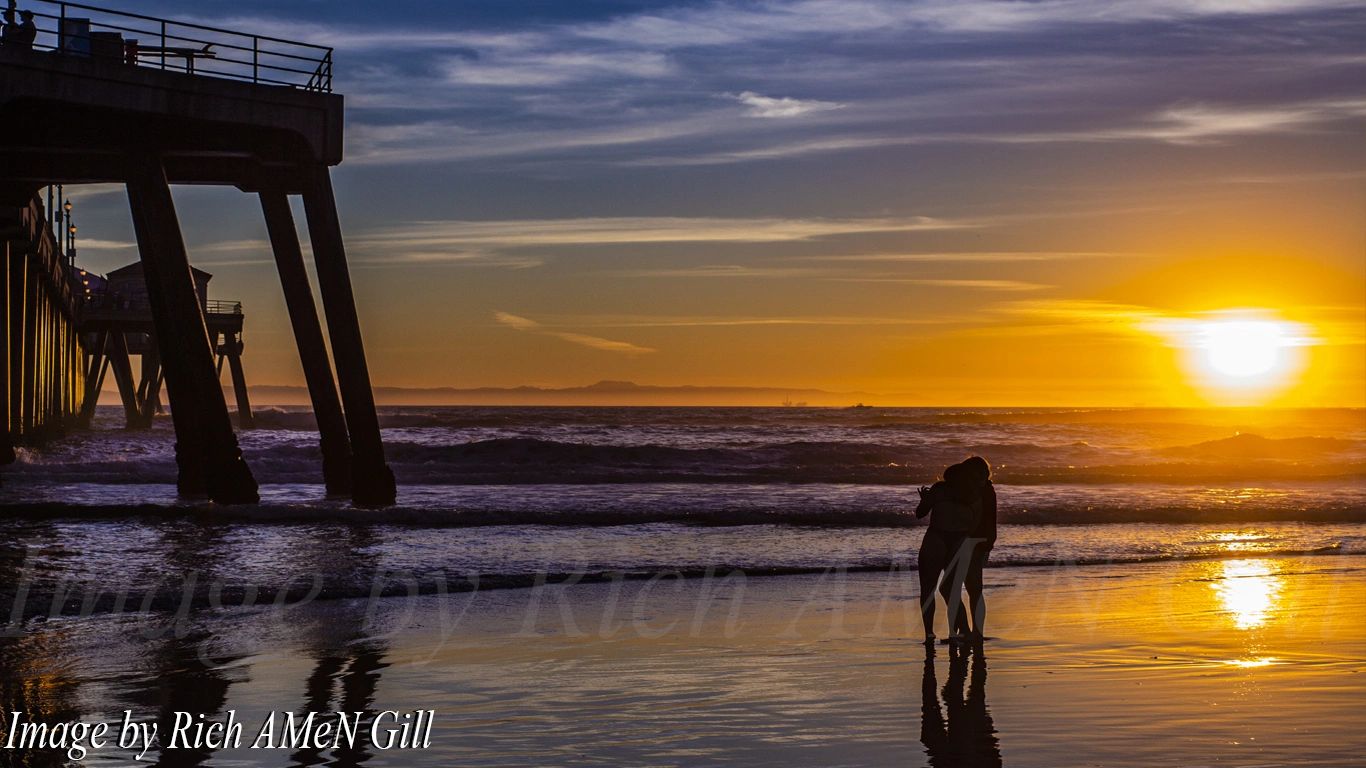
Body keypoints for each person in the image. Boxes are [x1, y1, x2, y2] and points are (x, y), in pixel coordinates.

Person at [914, 461, 986, 646]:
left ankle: (929, 634)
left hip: (936, 538)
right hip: (959, 541)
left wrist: (924, 499)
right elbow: (974, 525)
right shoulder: (974, 496)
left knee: (928, 590)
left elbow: (920, 513)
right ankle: (957, 632)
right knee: (952, 591)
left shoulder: (939, 490)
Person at [960, 456, 996, 643]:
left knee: (973, 588)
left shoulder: (982, 491)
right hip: (977, 542)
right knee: (971, 588)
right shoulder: (984, 489)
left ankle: (974, 632)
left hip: (975, 542)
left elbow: (988, 519)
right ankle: (970, 630)